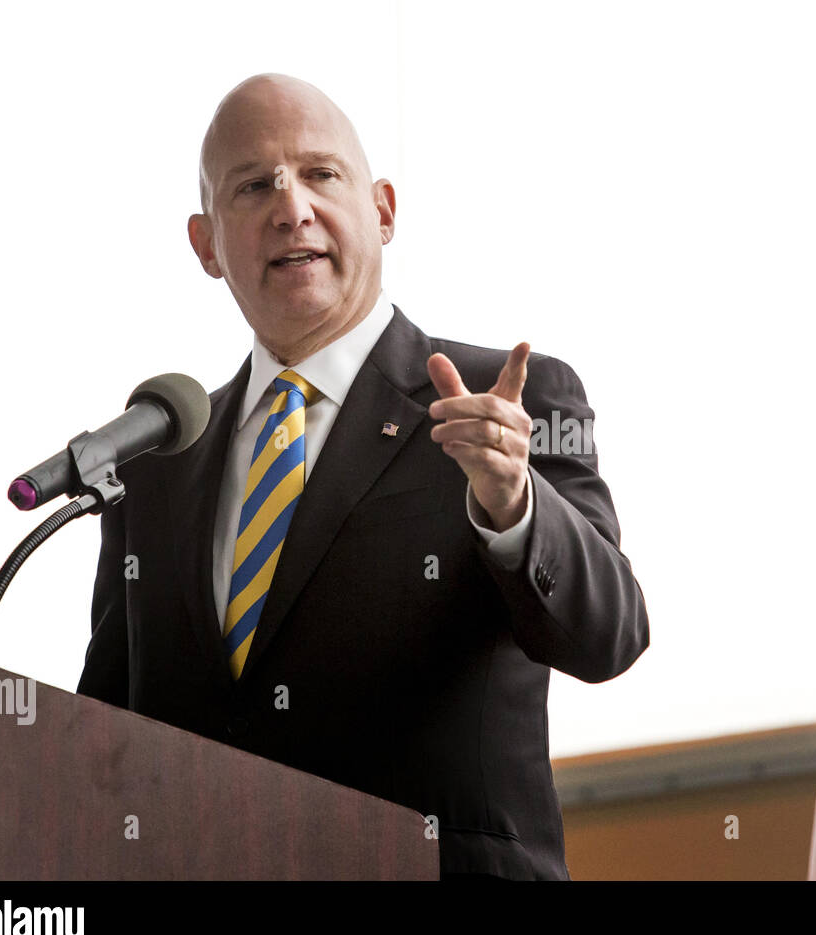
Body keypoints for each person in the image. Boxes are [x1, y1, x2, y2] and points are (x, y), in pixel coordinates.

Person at [75, 73, 650, 880]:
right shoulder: (158, 461)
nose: (292, 207)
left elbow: (610, 636)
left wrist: (514, 506)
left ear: (382, 209)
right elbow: (106, 742)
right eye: (253, 185)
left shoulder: (506, 400)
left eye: (320, 173)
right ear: (206, 245)